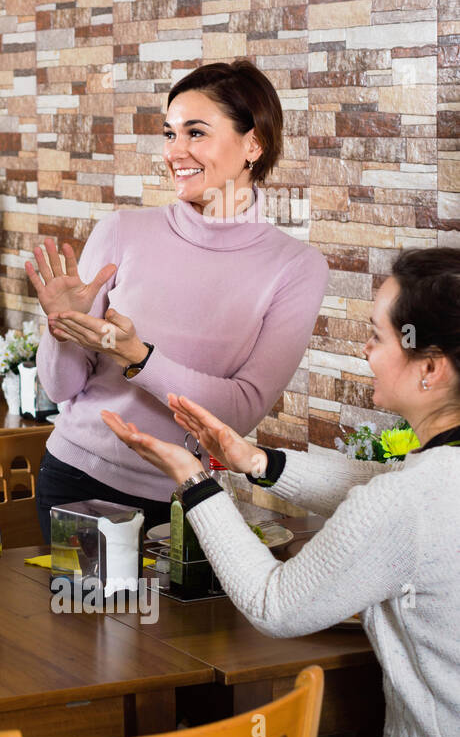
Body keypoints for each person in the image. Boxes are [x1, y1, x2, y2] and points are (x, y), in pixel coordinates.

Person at [103, 247, 460, 737]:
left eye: (378, 338)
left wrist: (193, 479)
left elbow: (275, 605)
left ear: (430, 368)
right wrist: (254, 460)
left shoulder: (407, 502)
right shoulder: (429, 480)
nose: (365, 351)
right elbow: (388, 482)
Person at [25, 59, 329, 539]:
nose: (176, 151)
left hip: (189, 503)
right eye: (169, 134)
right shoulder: (121, 232)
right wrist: (62, 326)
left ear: (253, 143)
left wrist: (138, 357)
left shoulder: (295, 267)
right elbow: (61, 389)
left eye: (196, 133)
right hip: (76, 482)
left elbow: (241, 410)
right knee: (79, 615)